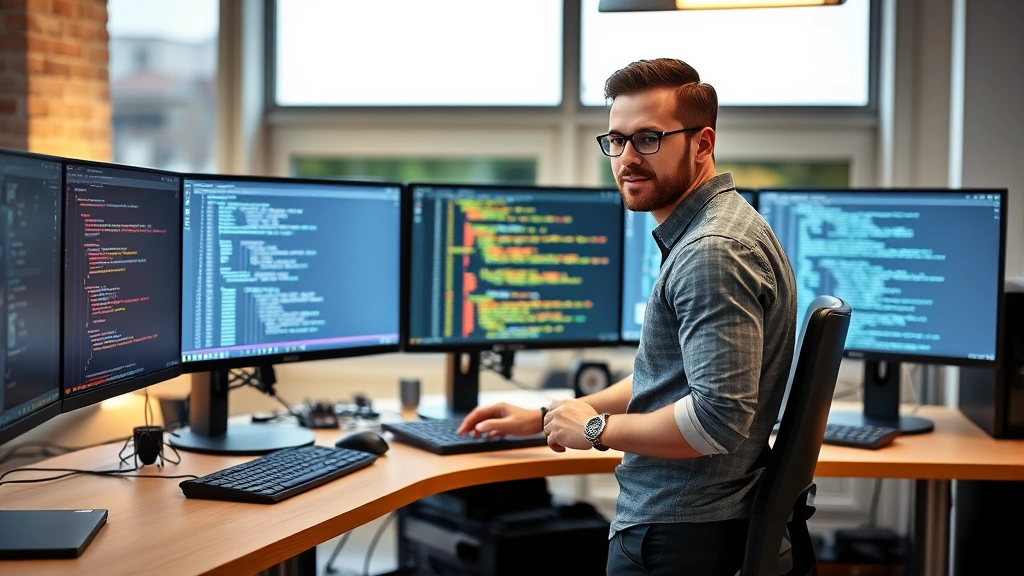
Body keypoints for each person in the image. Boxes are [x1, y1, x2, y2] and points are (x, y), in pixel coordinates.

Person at [457, 57, 798, 575]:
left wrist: (594, 429)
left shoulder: (712, 250)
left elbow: (715, 423)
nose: (626, 159)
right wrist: (549, 417)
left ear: (702, 143)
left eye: (649, 139)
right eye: (616, 140)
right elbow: (662, 380)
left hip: (680, 536)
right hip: (692, 528)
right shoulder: (712, 230)